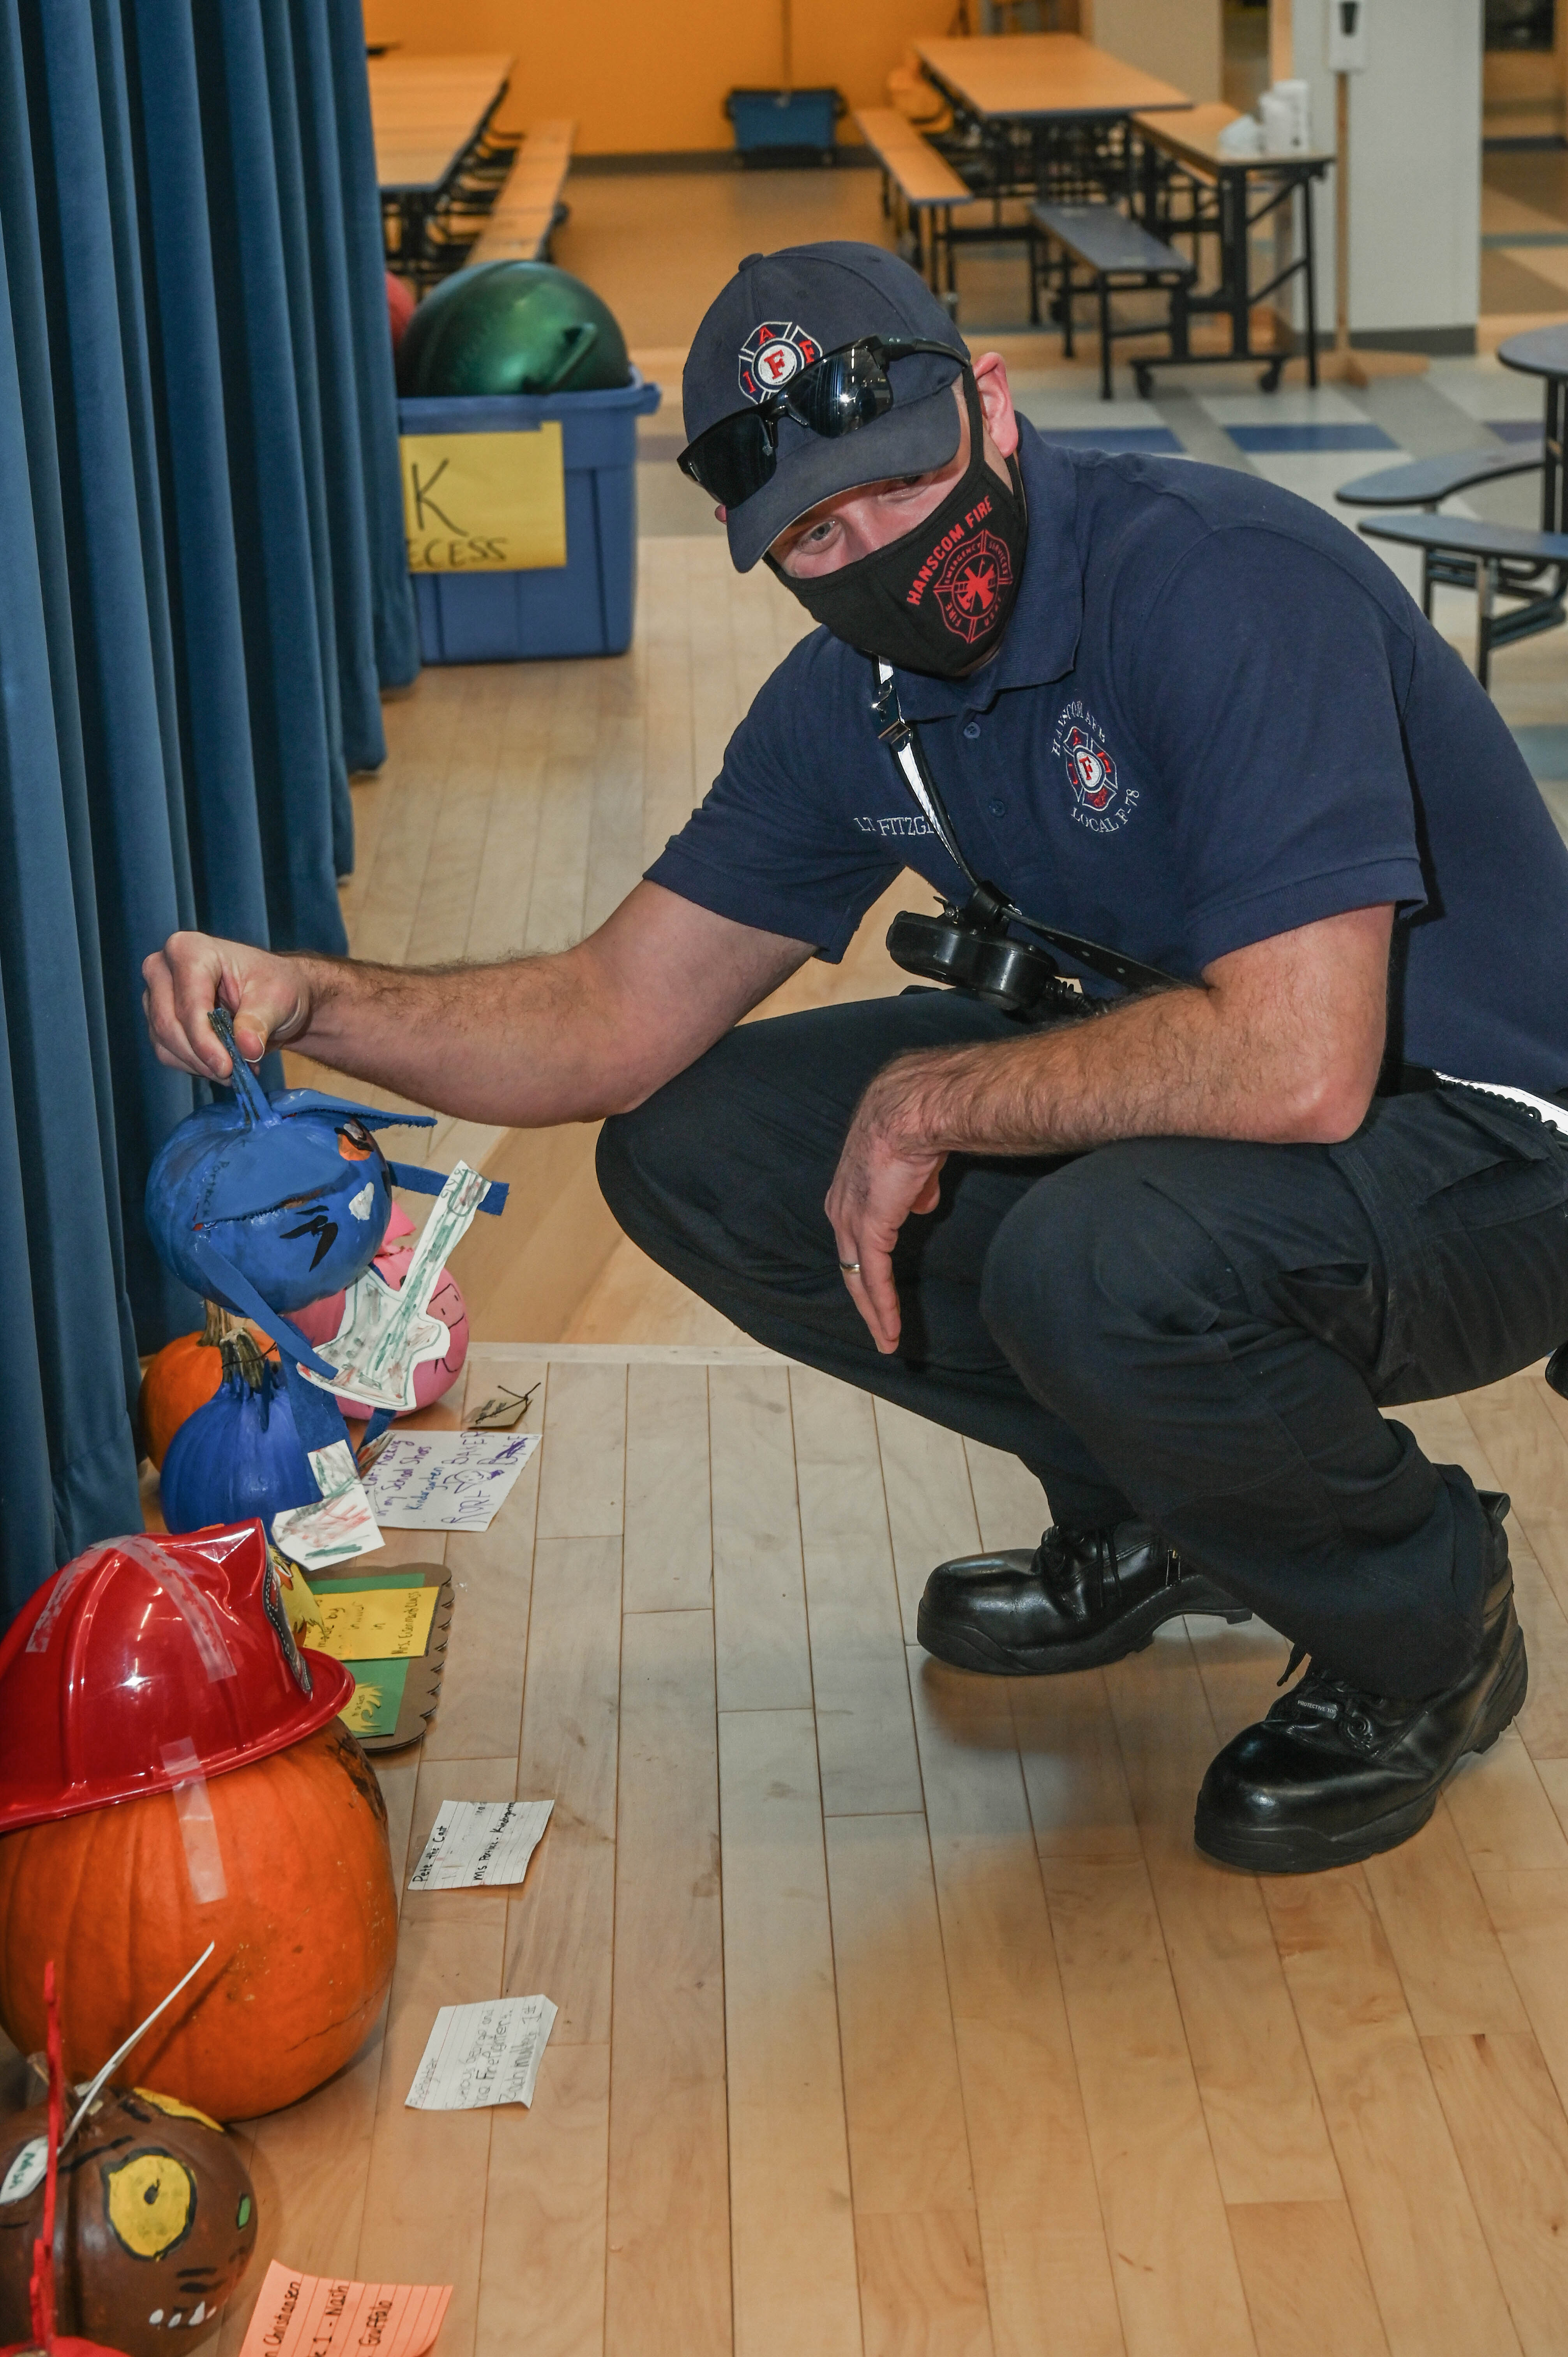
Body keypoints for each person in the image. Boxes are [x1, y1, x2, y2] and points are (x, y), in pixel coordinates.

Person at [144, 242, 1568, 1875]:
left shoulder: (1221, 584)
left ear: (993, 410)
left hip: (1487, 1141)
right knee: (697, 1145)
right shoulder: (851, 704)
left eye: (897, 482)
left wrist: (936, 1098)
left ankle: (1423, 1619)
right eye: (817, 532)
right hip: (1225, 1118)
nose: (877, 549)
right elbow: (610, 1013)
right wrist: (314, 998)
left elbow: (1302, 1061)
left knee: (1092, 1260)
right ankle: (1176, 1510)